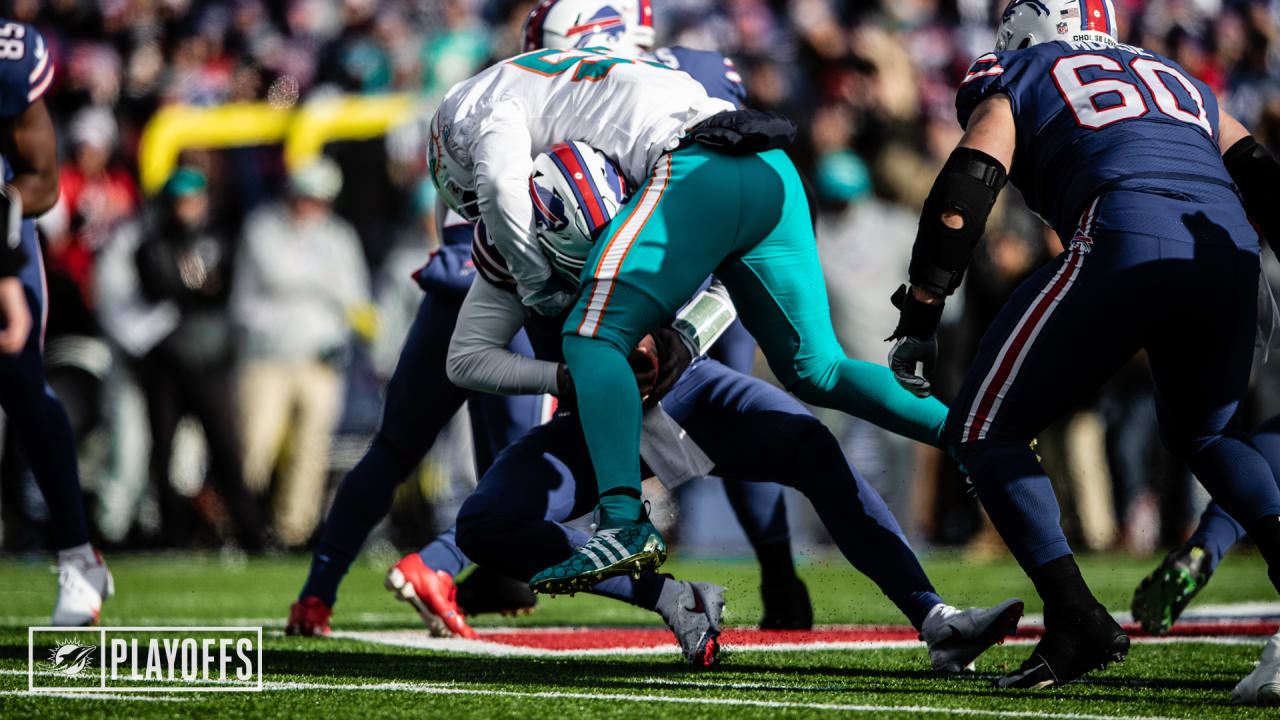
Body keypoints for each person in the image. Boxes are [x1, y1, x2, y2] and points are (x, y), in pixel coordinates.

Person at [285, 0, 814, 636]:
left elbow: (473, 205)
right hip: (552, 286)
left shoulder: (517, 91)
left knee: (444, 450)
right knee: (588, 446)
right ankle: (457, 561)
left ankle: (328, 592)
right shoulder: (642, 86)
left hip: (475, 274)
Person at [431, 157, 1022, 667]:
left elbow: (726, 285)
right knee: (486, 524)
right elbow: (467, 360)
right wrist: (562, 375)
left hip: (691, 385)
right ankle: (669, 599)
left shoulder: (657, 200)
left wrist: (680, 343)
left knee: (813, 448)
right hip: (597, 423)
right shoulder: (512, 242)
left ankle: (935, 618)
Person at [429, 45, 950, 597]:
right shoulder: (582, 134)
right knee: (817, 370)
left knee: (593, 339)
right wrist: (578, 366)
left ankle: (631, 525)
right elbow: (467, 355)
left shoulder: (529, 133)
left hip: (689, 287)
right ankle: (967, 430)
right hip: (767, 167)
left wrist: (662, 329)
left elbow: (502, 191)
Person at [885, 0, 1280, 697]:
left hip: (1125, 232)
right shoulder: (1177, 78)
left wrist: (921, 308)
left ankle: (1076, 618)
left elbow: (965, 190)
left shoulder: (1019, 68)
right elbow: (1263, 175)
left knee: (981, 426)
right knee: (1206, 434)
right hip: (1229, 254)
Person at [0, 18, 111, 624]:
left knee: (20, 385)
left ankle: (77, 556)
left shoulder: (8, 59)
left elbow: (42, 181)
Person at [117, 167, 264, 552]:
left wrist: (196, 287)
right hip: (168, 361)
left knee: (227, 451)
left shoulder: (220, 238)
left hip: (211, 359)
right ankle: (172, 535)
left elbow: (221, 290)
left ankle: (251, 533)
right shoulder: (152, 243)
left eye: (192, 199)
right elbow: (161, 284)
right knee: (162, 451)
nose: (187, 208)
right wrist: (197, 286)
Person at [230, 158, 371, 548]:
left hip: (319, 359)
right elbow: (276, 274)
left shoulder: (340, 237)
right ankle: (244, 524)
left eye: (320, 198)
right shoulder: (261, 228)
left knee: (311, 449)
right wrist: (321, 284)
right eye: (308, 196)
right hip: (265, 358)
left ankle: (293, 531)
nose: (312, 205)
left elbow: (355, 298)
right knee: (255, 446)